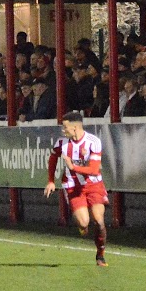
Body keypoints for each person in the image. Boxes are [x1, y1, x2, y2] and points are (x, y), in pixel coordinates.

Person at [44, 111, 110, 266]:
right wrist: (51, 181)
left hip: (94, 185)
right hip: (73, 186)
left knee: (99, 221)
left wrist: (73, 166)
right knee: (83, 223)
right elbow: (53, 158)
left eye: (65, 126)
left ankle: (100, 256)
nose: (62, 130)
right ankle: (82, 227)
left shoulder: (93, 142)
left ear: (75, 127)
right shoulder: (61, 143)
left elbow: (94, 170)